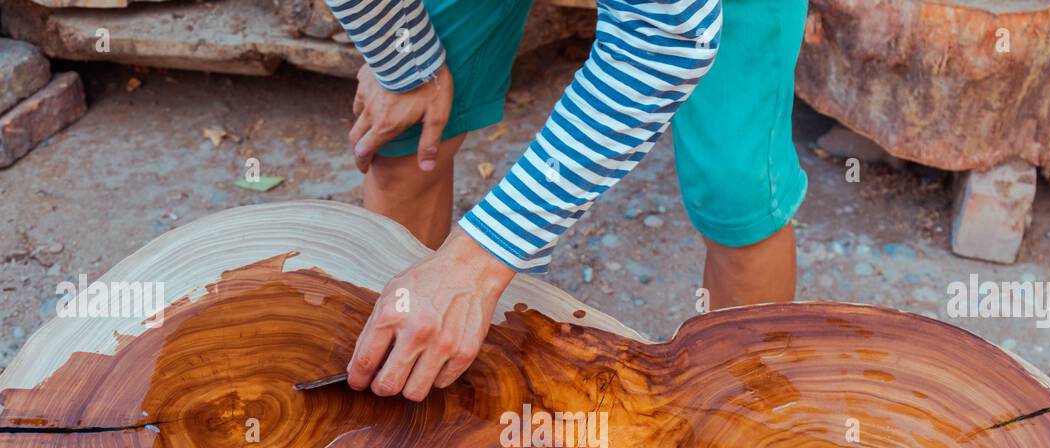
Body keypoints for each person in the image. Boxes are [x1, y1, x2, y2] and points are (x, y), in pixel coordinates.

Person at [324, 0, 809, 401]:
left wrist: (476, 263)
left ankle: (734, 420)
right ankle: (392, 377)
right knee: (407, 137)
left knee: (734, 186)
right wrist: (407, 64)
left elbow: (665, 38)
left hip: (674, 20)